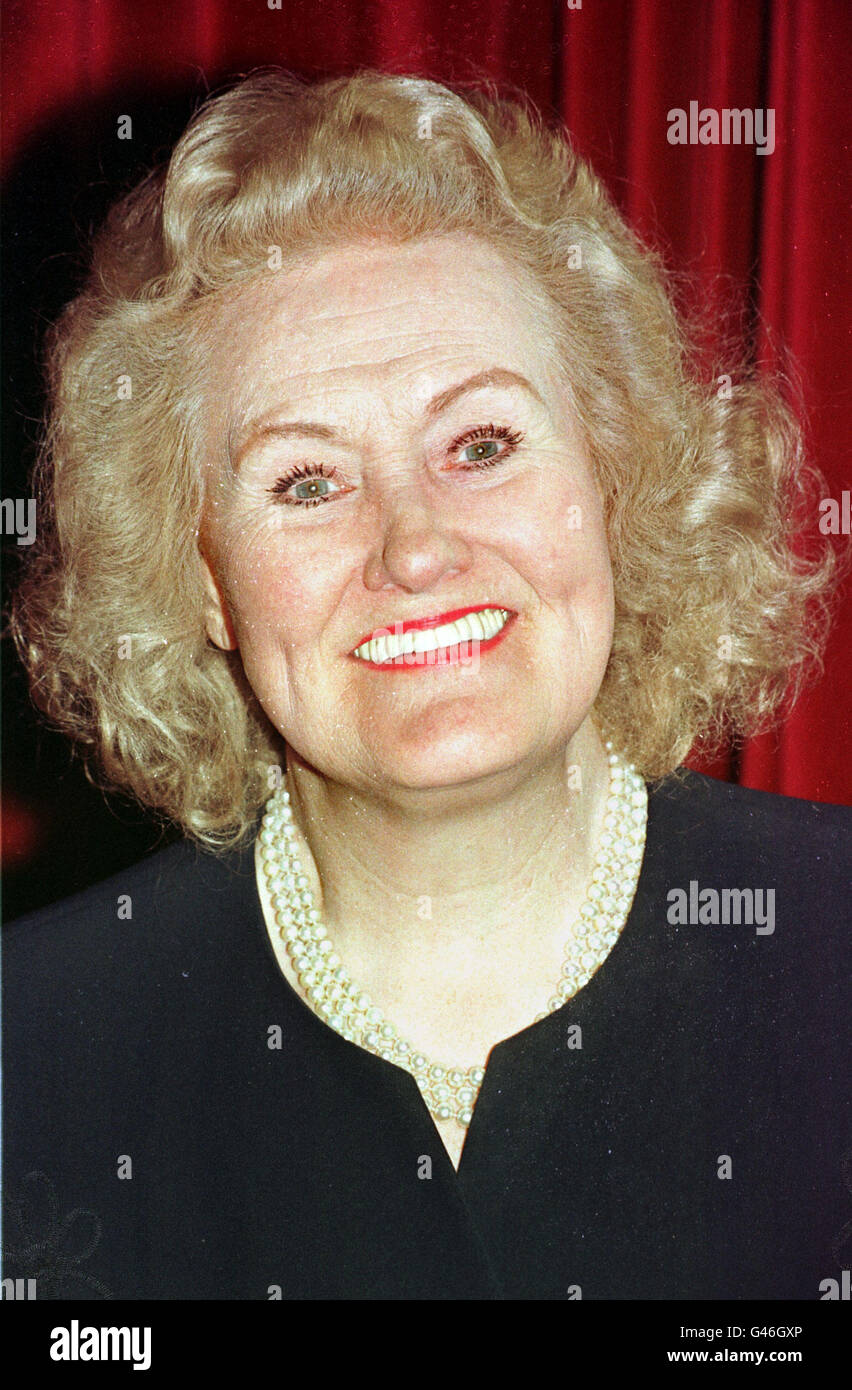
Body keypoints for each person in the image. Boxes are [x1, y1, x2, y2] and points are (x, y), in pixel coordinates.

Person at [3, 69, 849, 1301]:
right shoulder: (33, 1052)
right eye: (307, 482)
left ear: (615, 482)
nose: (414, 548)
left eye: (482, 444)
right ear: (202, 580)